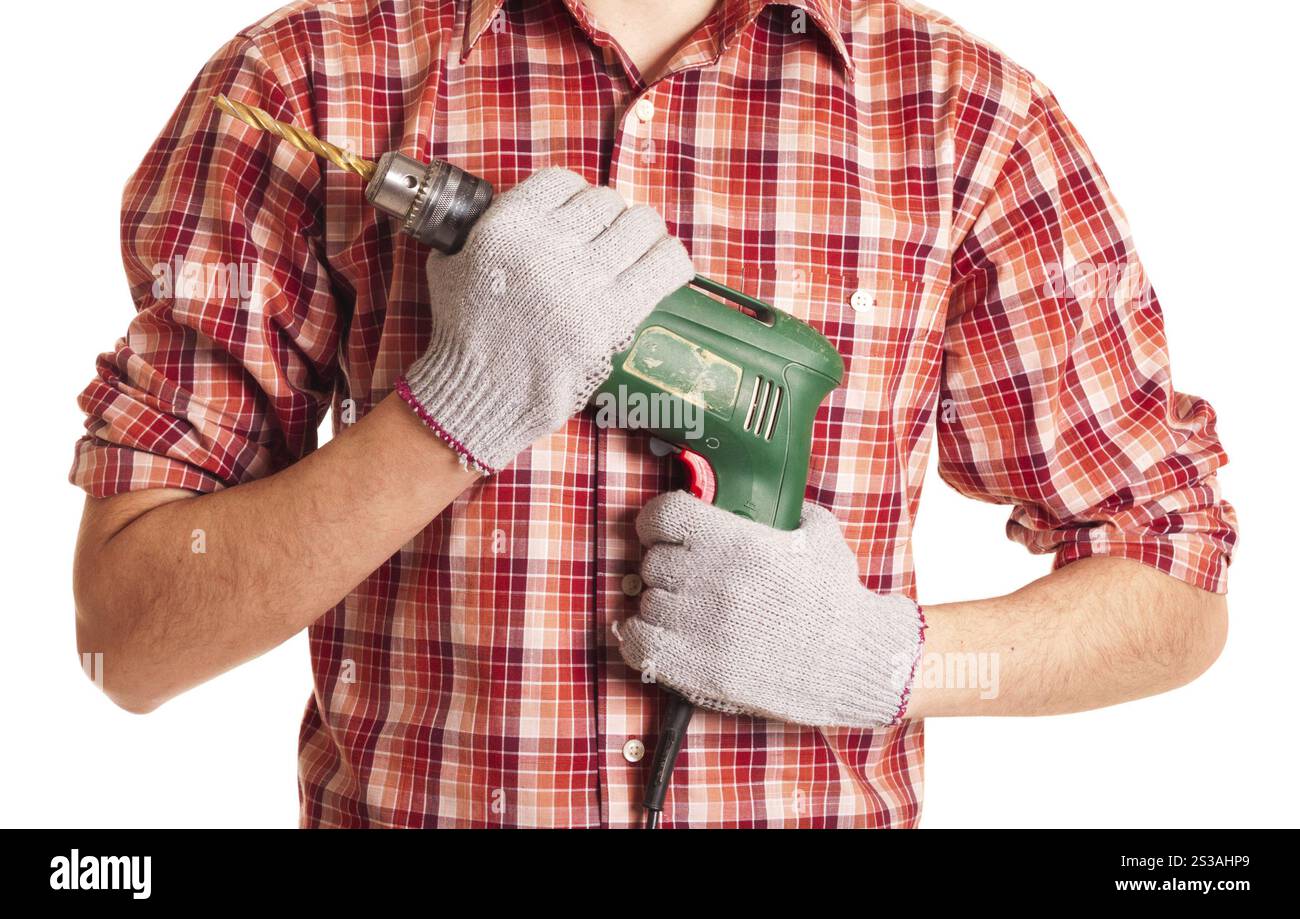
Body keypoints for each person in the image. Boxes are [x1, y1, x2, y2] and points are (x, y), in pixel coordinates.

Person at [71, 0, 1237, 828]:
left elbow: (1171, 586)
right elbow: (129, 640)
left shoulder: (968, 120)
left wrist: (880, 661)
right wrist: (452, 410)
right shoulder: (301, 78)